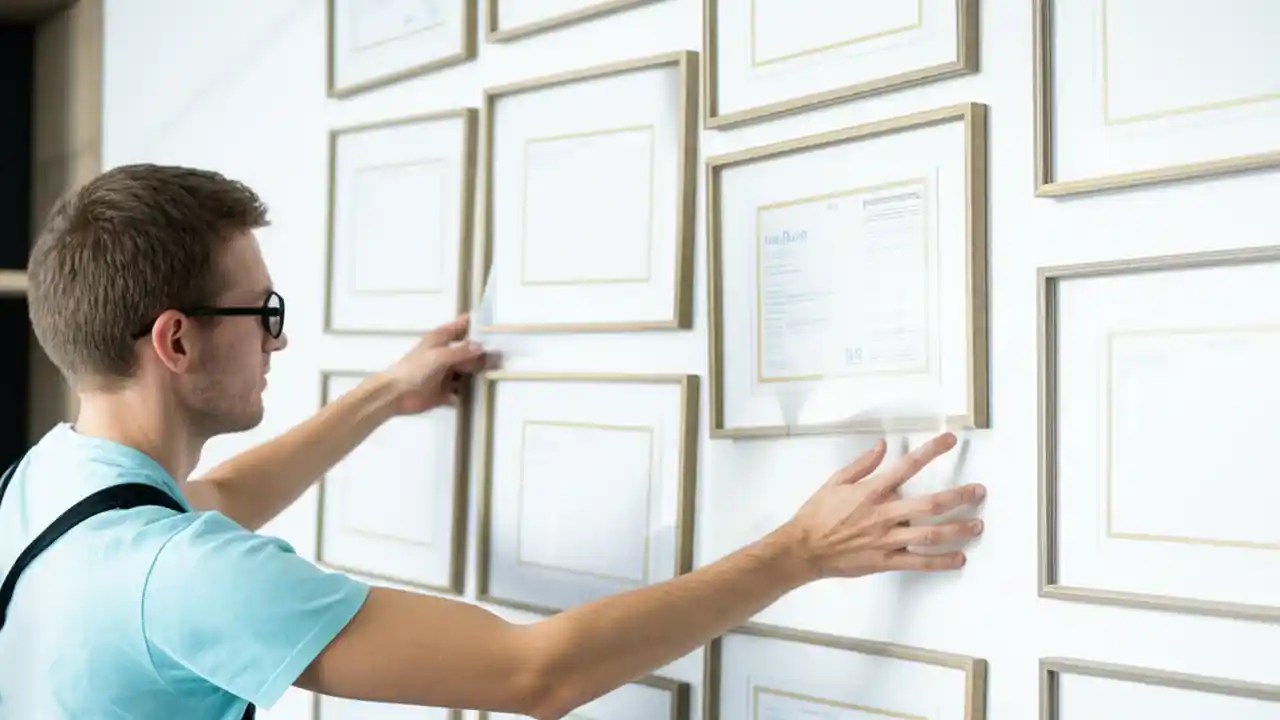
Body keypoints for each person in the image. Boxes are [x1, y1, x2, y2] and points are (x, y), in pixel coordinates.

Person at [0, 164, 987, 720]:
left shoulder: (47, 487)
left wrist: (383, 397)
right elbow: (535, 673)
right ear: (174, 339)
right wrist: (801, 550)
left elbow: (210, 504)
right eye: (262, 311)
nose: (279, 336)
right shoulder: (182, 577)